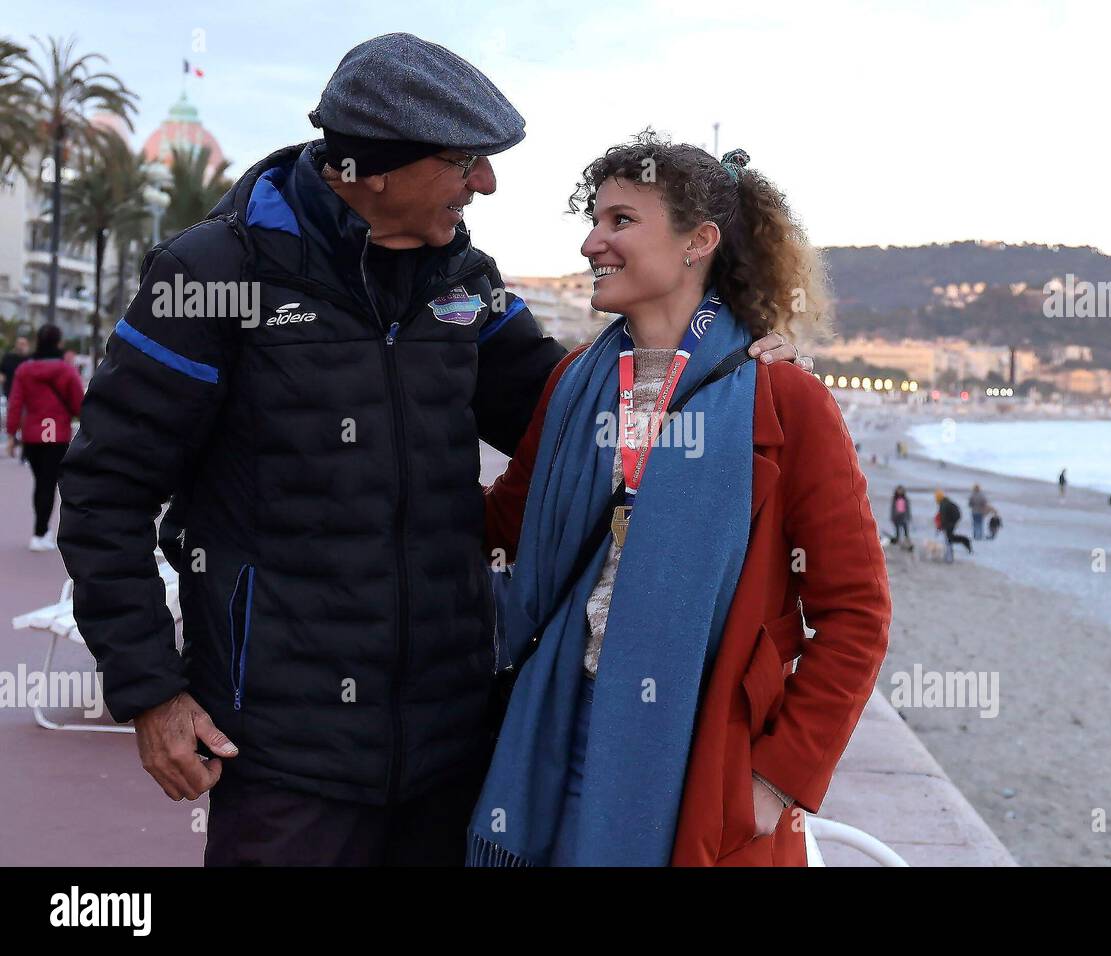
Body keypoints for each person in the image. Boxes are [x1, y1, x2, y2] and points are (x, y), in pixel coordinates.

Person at [55, 35, 801, 867]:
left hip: (452, 738)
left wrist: (732, 373)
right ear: (374, 167)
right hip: (281, 750)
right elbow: (104, 491)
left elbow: (570, 422)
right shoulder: (210, 278)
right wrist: (151, 691)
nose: (485, 183)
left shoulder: (464, 281)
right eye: (465, 162)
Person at [468, 134, 891, 867]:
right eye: (593, 220)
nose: (592, 242)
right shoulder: (572, 385)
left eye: (620, 221)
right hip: (554, 729)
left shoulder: (783, 399)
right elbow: (501, 528)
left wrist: (774, 777)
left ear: (699, 241)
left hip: (706, 757)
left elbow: (856, 613)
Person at [6, 324, 83, 550]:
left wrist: (11, 434)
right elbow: (79, 403)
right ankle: (40, 533)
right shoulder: (67, 370)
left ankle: (41, 530)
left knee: (41, 483)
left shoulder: (24, 370)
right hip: (56, 435)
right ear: (58, 343)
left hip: (32, 435)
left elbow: (15, 404)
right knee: (48, 485)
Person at [935, 490, 971, 563]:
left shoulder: (943, 504)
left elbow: (943, 517)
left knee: (949, 540)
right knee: (949, 539)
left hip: (949, 524)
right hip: (951, 523)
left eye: (936, 498)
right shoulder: (946, 502)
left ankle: (949, 558)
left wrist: (941, 526)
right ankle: (949, 556)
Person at [1, 334, 30, 403]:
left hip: (27, 394)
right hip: (10, 392)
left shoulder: (30, 359)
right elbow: (2, 371)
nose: (21, 346)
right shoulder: (8, 357)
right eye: (19, 344)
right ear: (16, 344)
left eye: (23, 344)